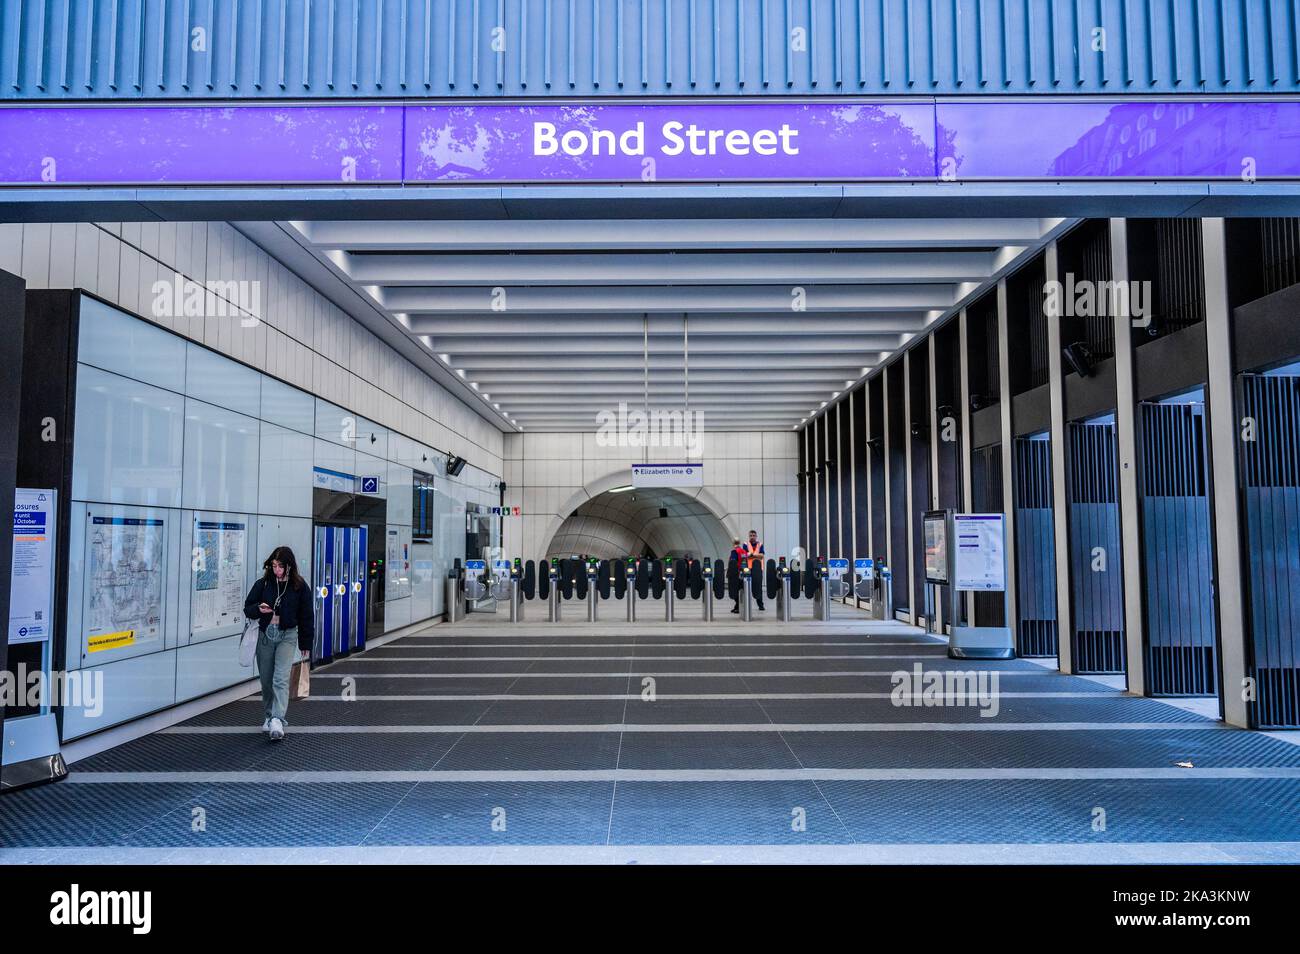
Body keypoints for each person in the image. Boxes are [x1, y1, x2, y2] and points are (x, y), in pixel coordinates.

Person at [243, 547, 314, 741]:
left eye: (280, 566)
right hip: (265, 635)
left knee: (280, 678)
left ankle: (277, 719)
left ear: (289, 566)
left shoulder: (299, 587)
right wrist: (259, 609)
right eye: (273, 566)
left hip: (287, 636)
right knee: (266, 680)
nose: (277, 570)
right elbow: (247, 608)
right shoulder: (263, 584)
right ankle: (268, 715)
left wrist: (305, 642)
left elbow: (307, 616)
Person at [744, 529, 767, 611]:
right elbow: (745, 555)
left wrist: (752, 555)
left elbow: (762, 555)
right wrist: (755, 555)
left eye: (754, 536)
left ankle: (760, 605)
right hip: (748, 569)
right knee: (746, 586)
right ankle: (746, 604)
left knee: (758, 586)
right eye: (751, 535)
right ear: (749, 536)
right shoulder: (745, 544)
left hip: (758, 569)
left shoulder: (760, 544)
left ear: (756, 536)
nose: (752, 537)